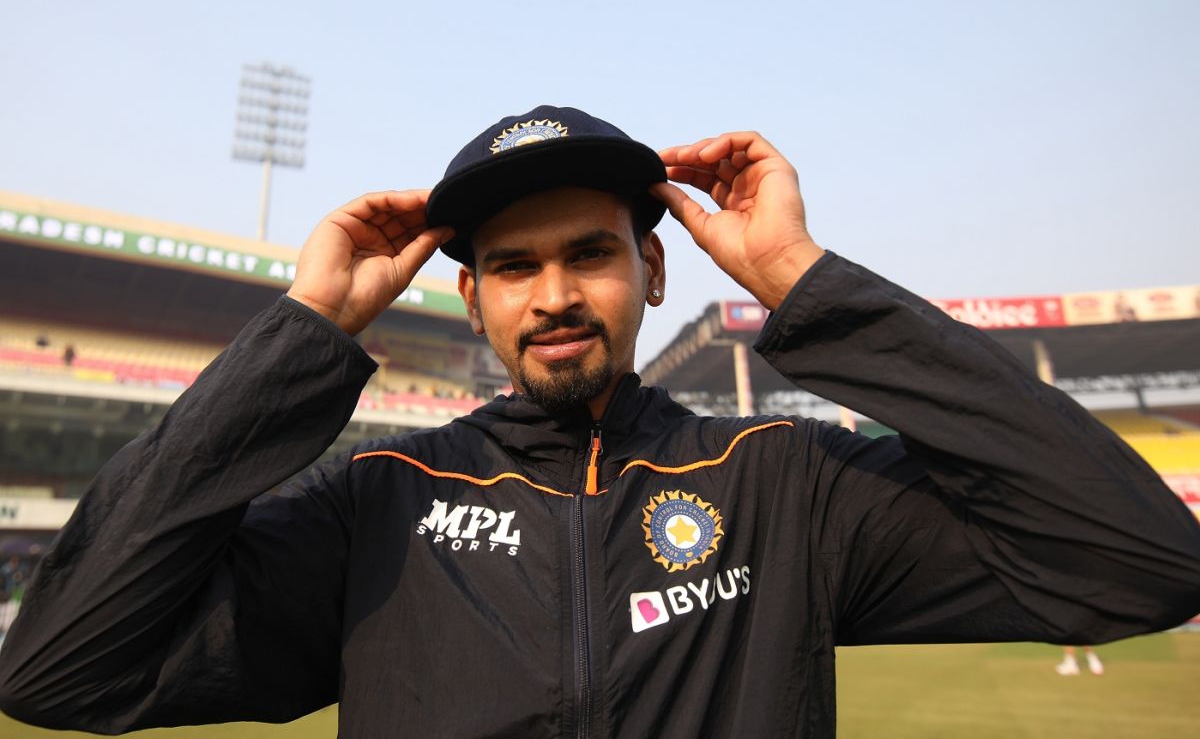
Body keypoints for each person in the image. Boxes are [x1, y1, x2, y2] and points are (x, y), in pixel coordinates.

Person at [1, 105, 1199, 737]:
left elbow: (1141, 563)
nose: (557, 294)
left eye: (591, 252)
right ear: (469, 300)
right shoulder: (380, 501)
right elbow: (59, 669)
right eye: (513, 266)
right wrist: (306, 332)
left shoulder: (785, 480)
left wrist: (801, 278)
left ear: (656, 273)